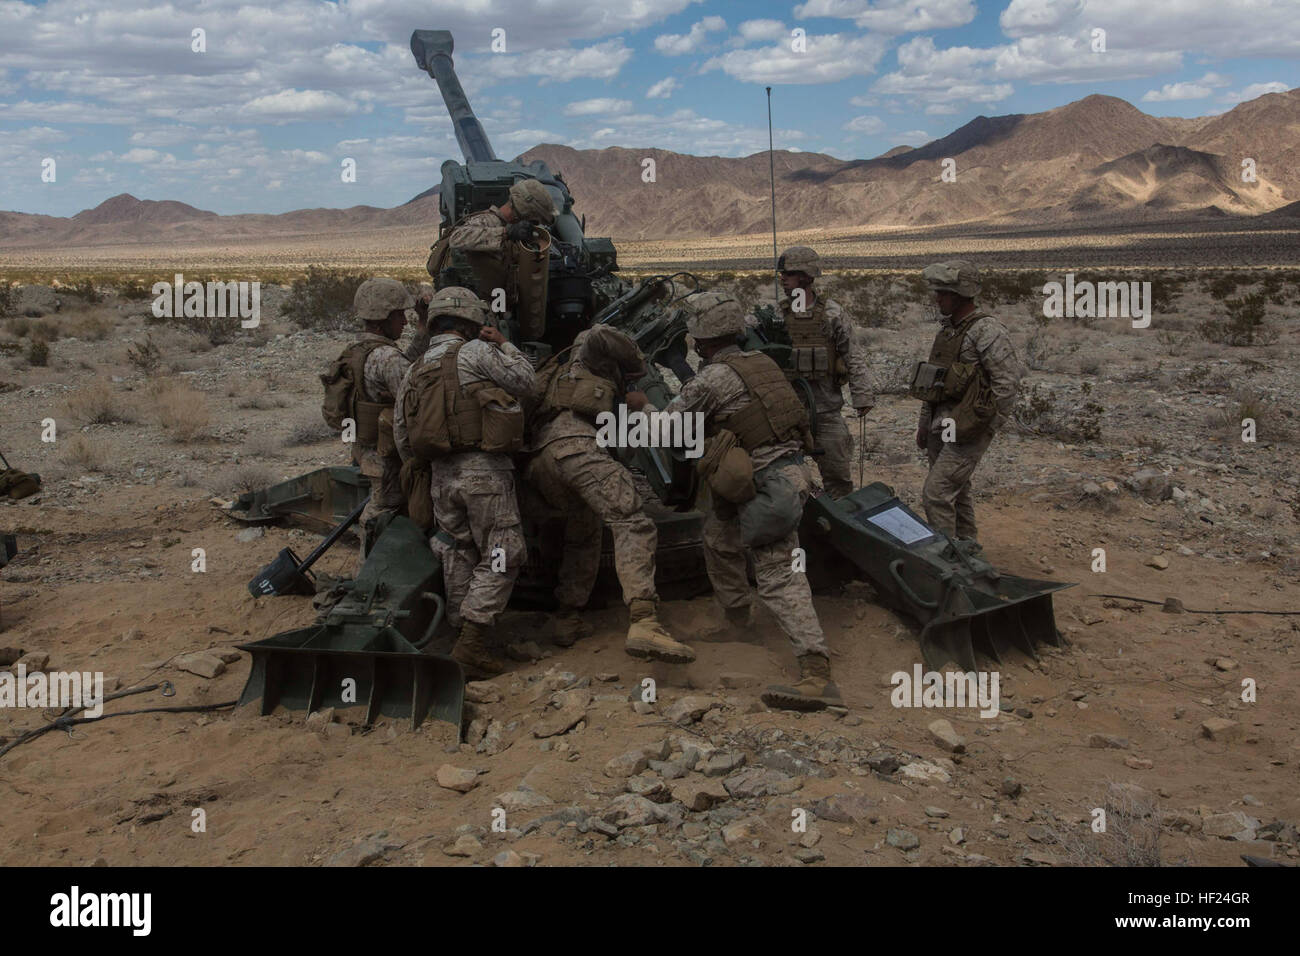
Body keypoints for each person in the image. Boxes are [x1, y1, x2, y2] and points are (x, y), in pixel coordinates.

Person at [628, 291, 841, 711]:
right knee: (718, 540)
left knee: (779, 572)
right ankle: (739, 620)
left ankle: (817, 674)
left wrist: (643, 407)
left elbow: (668, 431)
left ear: (700, 340)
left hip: (770, 484)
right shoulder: (760, 363)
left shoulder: (713, 379)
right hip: (783, 473)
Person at [525, 325, 694, 663]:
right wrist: (638, 364)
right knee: (633, 521)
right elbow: (599, 333)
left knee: (584, 532)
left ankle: (567, 618)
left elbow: (623, 446)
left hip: (542, 463)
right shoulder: (585, 359)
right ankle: (645, 620)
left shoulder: (555, 378)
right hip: (577, 450)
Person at [392, 287, 535, 677]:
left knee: (457, 551)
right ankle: (472, 643)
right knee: (505, 552)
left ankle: (463, 636)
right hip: (484, 471)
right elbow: (527, 381)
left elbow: (402, 434)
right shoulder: (475, 352)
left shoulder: (414, 367)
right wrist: (505, 345)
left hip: (441, 476)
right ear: (473, 323)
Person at [911, 260, 1022, 543]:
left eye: (943, 293)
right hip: (942, 425)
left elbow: (1007, 385)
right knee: (956, 493)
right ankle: (968, 551)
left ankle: (947, 561)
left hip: (969, 428)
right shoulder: (948, 331)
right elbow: (933, 384)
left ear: (960, 294)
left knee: (936, 495)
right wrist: (925, 424)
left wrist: (986, 426)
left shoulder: (987, 331)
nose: (937, 299)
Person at [321, 277, 430, 556]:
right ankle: (367, 576)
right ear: (383, 319)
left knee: (382, 506)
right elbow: (413, 398)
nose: (404, 323)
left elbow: (403, 363)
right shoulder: (386, 358)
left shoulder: (358, 350)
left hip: (367, 450)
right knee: (382, 512)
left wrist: (422, 328)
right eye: (399, 316)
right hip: (387, 455)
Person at [775, 246, 873, 498]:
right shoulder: (776, 315)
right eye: (782, 274)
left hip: (826, 412)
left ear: (806, 277)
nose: (783, 279)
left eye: (789, 273)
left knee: (839, 480)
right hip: (786, 415)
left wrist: (862, 397)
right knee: (782, 483)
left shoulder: (833, 314)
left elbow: (853, 356)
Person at [445, 178, 556, 338]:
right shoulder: (487, 221)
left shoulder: (514, 235)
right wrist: (505, 233)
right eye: (533, 220)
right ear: (524, 211)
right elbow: (457, 238)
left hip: (495, 309)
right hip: (470, 313)